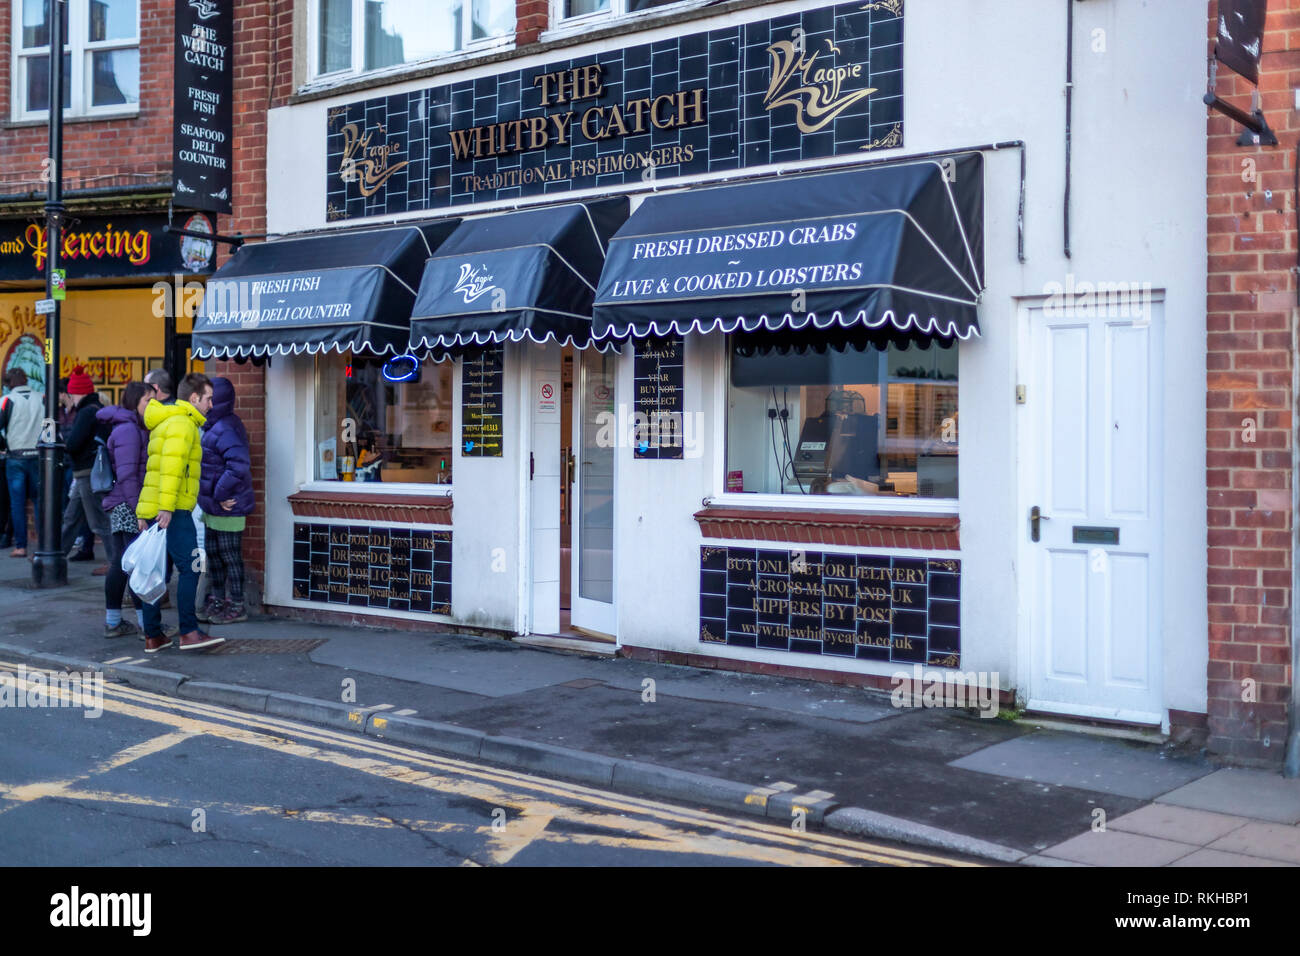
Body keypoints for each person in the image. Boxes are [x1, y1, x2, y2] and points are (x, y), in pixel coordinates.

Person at [136, 372, 224, 653]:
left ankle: (153, 636)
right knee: (191, 568)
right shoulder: (184, 424)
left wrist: (144, 511)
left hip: (159, 507)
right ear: (194, 398)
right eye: (208, 398)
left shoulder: (165, 420)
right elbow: (171, 470)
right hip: (173, 509)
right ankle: (188, 632)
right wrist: (166, 508)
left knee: (154, 572)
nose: (212, 404)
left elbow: (154, 470)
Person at [97, 383, 178, 640]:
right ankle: (145, 626)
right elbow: (128, 475)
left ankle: (117, 623)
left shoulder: (132, 427)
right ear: (134, 403)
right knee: (136, 566)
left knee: (124, 565)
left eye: (155, 400)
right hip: (128, 504)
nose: (152, 405)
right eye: (147, 401)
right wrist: (138, 511)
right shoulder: (129, 431)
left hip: (125, 503)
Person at [197, 377, 254, 625]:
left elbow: (238, 465)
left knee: (229, 556)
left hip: (229, 505)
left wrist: (219, 495)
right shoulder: (215, 425)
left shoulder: (226, 427)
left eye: (209, 397)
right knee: (215, 555)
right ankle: (218, 600)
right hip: (214, 506)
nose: (205, 402)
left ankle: (237, 605)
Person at [59, 366, 110, 570]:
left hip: (87, 473)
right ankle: (55, 554)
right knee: (71, 518)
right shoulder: (96, 410)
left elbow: (73, 444)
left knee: (99, 521)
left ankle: (115, 563)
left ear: (75, 393)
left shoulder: (86, 412)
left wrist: (64, 443)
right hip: (88, 472)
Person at [0, 369, 43, 557]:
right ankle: (43, 545)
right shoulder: (41, 398)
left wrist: (4, 445)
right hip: (38, 455)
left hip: (15, 456)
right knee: (40, 501)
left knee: (16, 503)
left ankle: (21, 546)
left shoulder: (7, 400)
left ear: (9, 383)